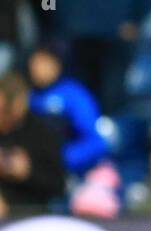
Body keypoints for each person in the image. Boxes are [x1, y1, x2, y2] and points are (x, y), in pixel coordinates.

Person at [26, 40, 108, 176]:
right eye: (35, 62)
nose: (36, 68)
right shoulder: (26, 94)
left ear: (57, 64)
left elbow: (95, 142)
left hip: (63, 175)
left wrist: (61, 158)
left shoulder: (73, 94)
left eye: (43, 62)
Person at [0, 70, 66, 215]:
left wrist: (28, 172)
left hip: (29, 215)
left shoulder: (41, 132)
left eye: (5, 110)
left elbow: (58, 184)